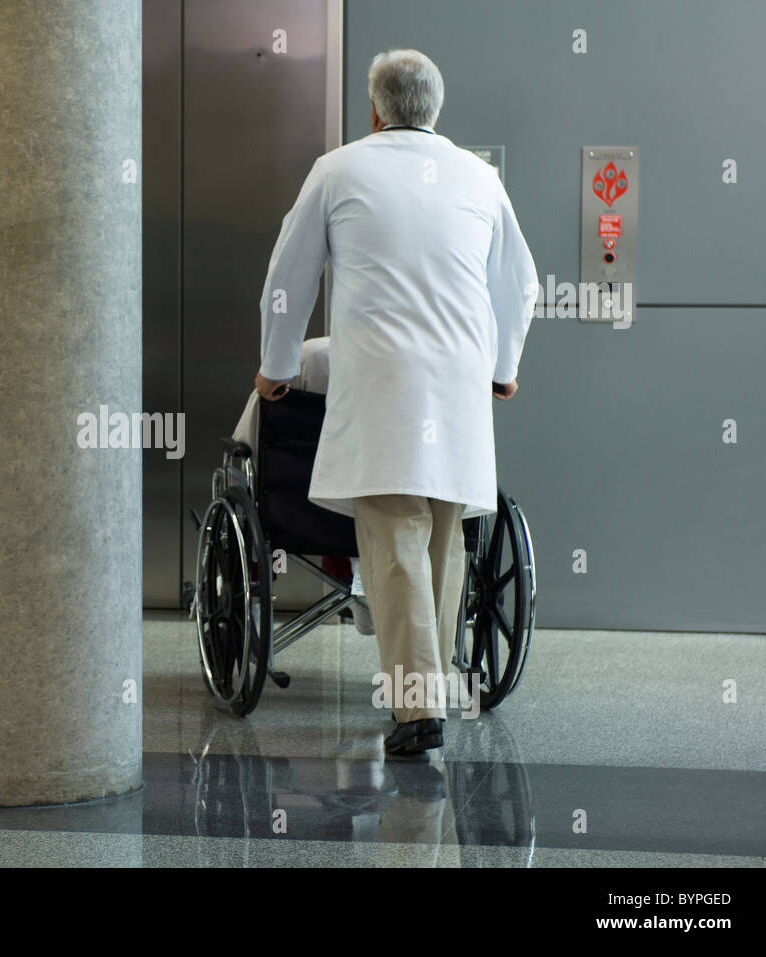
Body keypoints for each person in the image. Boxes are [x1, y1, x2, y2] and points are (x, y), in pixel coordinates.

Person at [253, 49, 537, 755]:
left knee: (396, 540)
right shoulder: (480, 177)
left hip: (383, 391)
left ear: (374, 110)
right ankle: (429, 694)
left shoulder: (340, 167)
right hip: (459, 393)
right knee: (442, 545)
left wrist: (276, 368)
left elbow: (286, 278)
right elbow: (522, 283)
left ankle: (418, 711)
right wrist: (504, 367)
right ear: (434, 110)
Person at [231, 337, 375, 636]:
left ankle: (256, 585)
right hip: (376, 513)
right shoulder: (406, 365)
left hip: (295, 515)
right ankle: (364, 590)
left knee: (259, 491)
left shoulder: (304, 358)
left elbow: (245, 444)